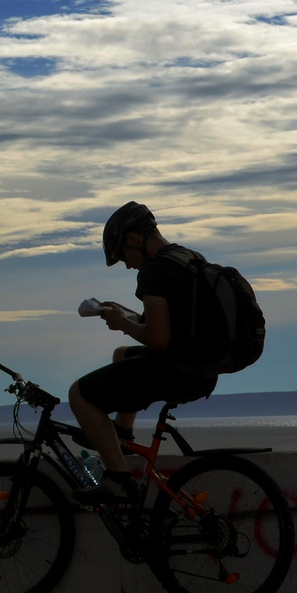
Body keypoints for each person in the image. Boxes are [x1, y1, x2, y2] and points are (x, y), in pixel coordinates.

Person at [68, 202, 219, 505]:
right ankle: (122, 433)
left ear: (134, 240)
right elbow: (168, 326)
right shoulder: (188, 258)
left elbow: (159, 339)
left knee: (80, 395)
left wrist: (122, 323)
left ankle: (120, 482)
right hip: (202, 369)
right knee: (123, 354)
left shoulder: (154, 270)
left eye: (123, 255)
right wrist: (127, 314)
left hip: (178, 370)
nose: (127, 264)